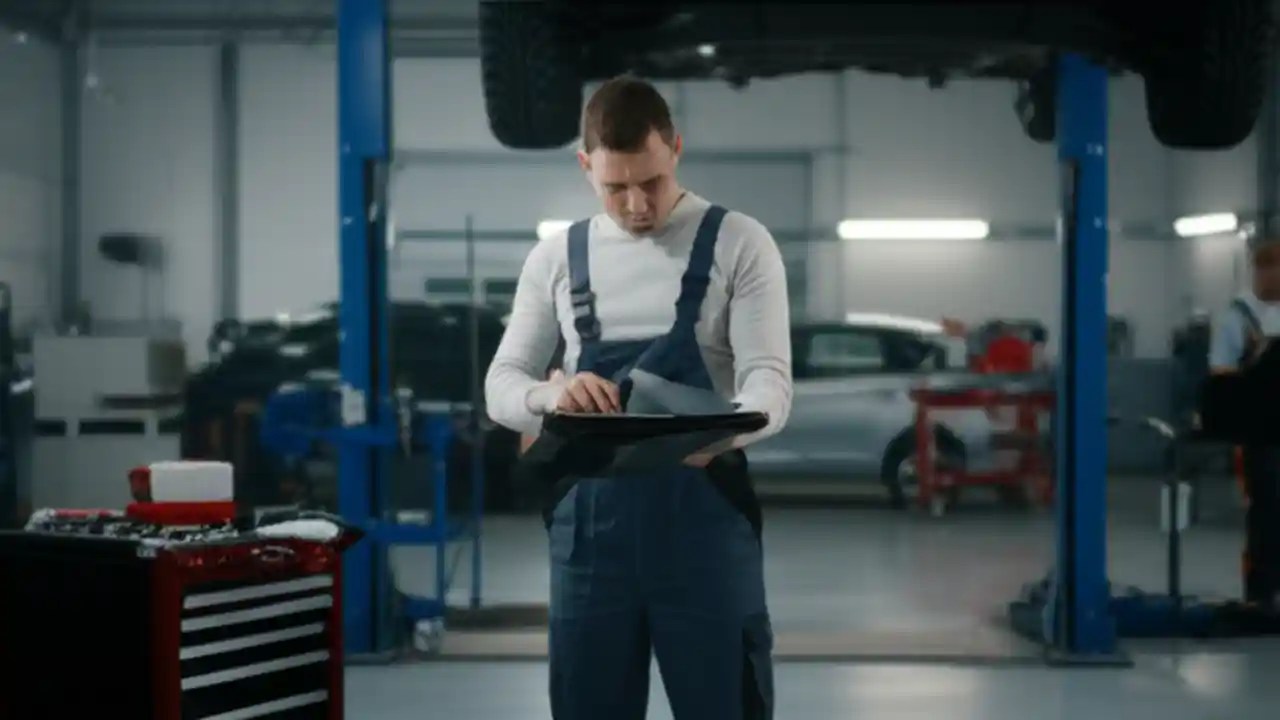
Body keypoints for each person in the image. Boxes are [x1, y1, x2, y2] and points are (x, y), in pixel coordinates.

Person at [484, 75, 792, 719]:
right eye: (614, 186)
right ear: (585, 166)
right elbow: (501, 386)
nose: (635, 205)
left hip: (704, 529)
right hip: (592, 541)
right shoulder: (556, 259)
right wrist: (554, 393)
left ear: (675, 148)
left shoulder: (739, 243)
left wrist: (723, 433)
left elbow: (771, 383)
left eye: (649, 182)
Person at [1208, 224, 1280, 609]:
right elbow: (1221, 374)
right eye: (1267, 267)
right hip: (1261, 433)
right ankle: (1261, 593)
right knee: (1268, 509)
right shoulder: (1238, 316)